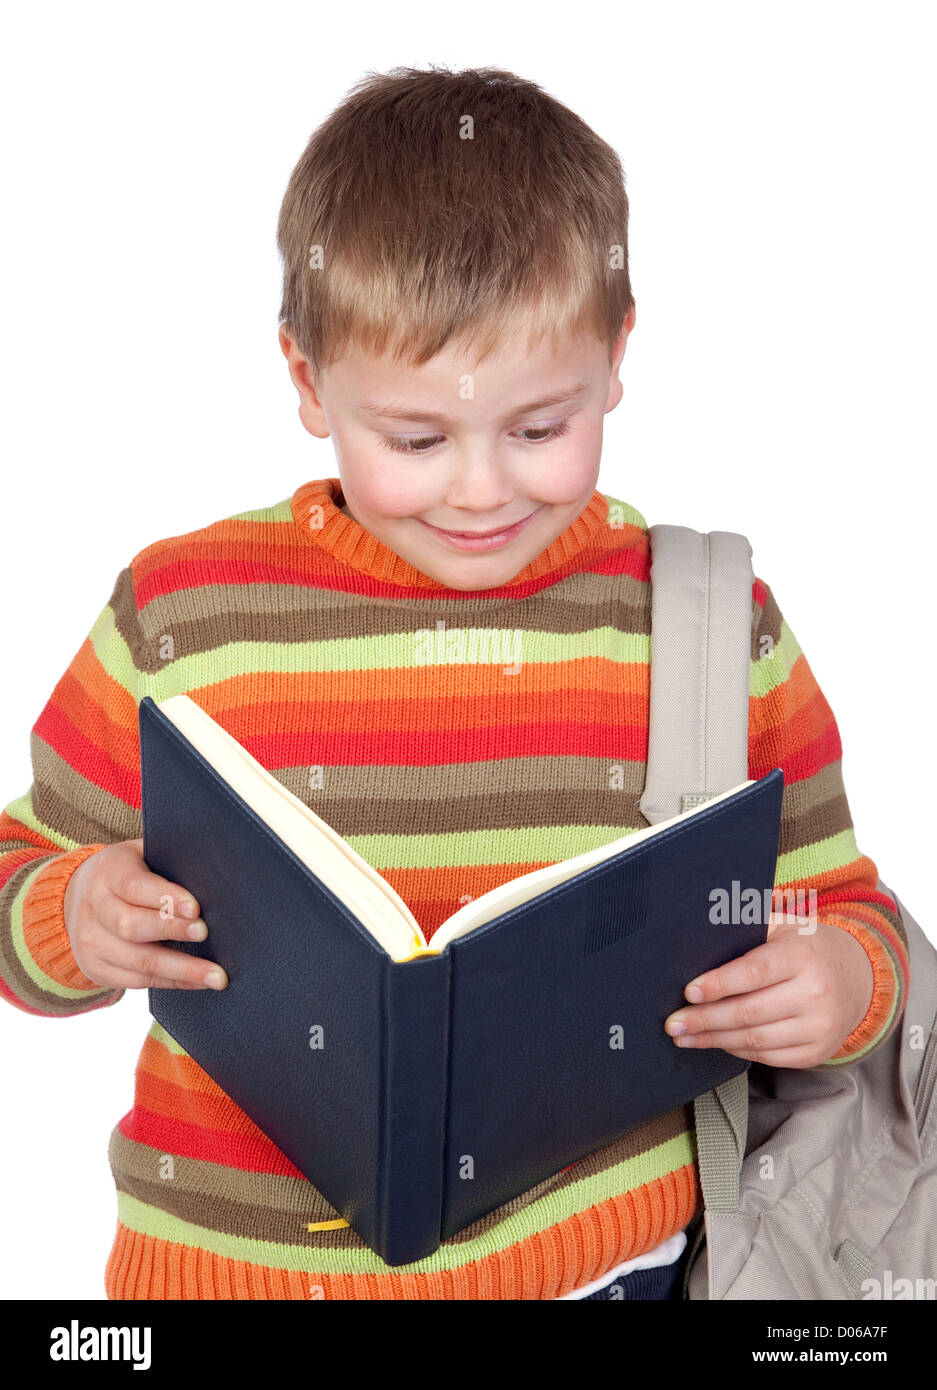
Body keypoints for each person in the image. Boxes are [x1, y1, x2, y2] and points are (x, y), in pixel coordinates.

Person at [0, 64, 908, 1301]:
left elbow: (829, 901)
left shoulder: (706, 621)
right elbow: (20, 890)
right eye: (415, 439)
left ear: (617, 356)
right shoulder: (183, 613)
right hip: (224, 1282)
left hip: (608, 1274)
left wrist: (842, 981)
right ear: (308, 381)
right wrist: (78, 913)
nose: (481, 490)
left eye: (542, 428)